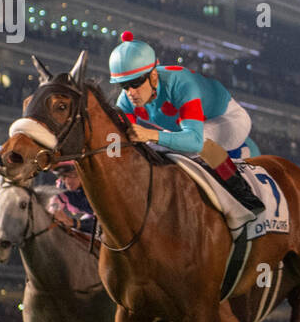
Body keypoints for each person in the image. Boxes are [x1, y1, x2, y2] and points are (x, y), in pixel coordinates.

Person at [107, 32, 263, 215]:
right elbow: (118, 143)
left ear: (154, 76)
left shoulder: (181, 83)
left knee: (186, 146)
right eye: (124, 85)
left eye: (136, 83)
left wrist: (151, 135)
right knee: (151, 150)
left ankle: (246, 197)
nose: (130, 92)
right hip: (187, 129)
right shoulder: (126, 99)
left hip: (228, 121)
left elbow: (195, 141)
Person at [49, 162, 97, 236]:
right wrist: (54, 212)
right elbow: (54, 204)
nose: (68, 181)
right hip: (90, 216)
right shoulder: (62, 187)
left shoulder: (96, 188)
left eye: (73, 175)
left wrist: (74, 223)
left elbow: (106, 222)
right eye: (64, 176)